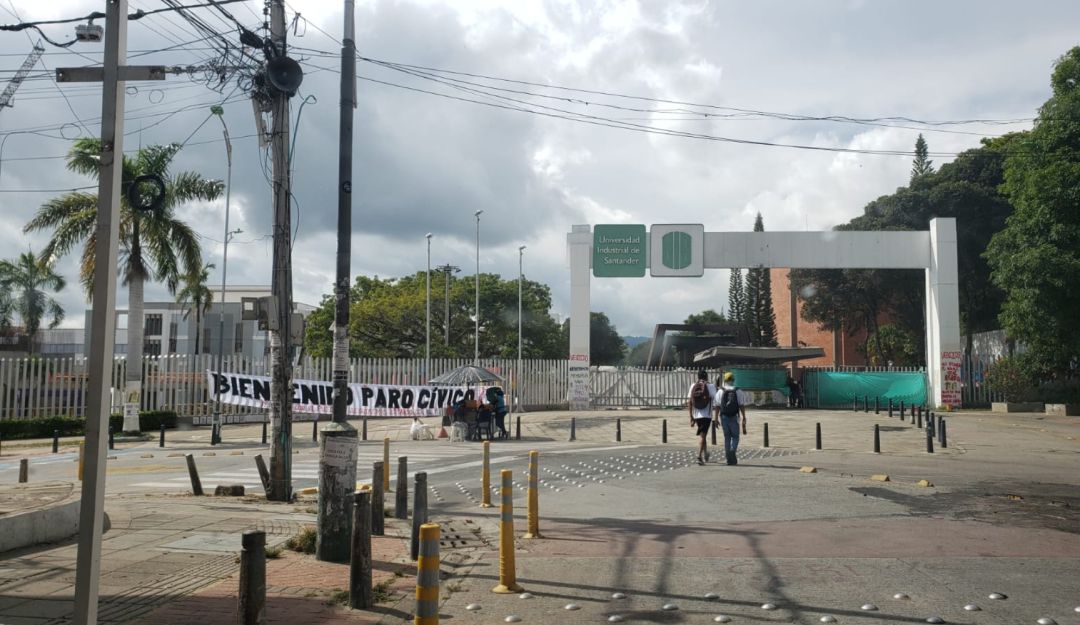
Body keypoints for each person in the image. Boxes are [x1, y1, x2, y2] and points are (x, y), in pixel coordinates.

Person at [715, 372, 748, 465]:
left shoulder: (720, 391)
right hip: (734, 417)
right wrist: (744, 417)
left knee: (727, 437)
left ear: (725, 380)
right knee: (735, 436)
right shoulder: (738, 391)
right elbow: (741, 405)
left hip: (723, 417)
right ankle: (733, 450)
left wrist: (716, 419)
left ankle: (728, 457)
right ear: (733, 380)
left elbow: (717, 406)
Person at [687, 369, 716, 465]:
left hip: (696, 415)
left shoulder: (693, 386)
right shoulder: (710, 386)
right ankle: (699, 456)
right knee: (703, 436)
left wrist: (691, 417)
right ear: (706, 377)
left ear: (698, 377)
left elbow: (690, 402)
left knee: (703, 435)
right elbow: (714, 398)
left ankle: (706, 453)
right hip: (707, 415)